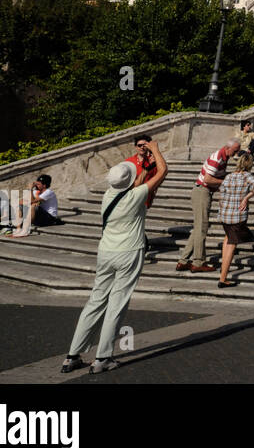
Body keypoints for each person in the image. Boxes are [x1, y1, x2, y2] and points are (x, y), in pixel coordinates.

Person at [60, 145, 170, 374]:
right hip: (129, 252)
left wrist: (144, 165)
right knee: (116, 304)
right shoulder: (136, 195)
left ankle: (72, 355)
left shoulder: (109, 194)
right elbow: (163, 172)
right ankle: (103, 357)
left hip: (106, 253)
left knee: (95, 301)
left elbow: (136, 182)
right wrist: (156, 149)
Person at [176, 139, 238, 272]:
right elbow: (208, 179)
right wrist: (225, 181)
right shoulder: (217, 158)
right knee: (202, 228)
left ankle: (183, 261)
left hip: (203, 192)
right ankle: (198, 262)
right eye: (235, 150)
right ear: (228, 148)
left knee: (199, 227)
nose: (236, 153)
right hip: (202, 191)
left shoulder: (223, 157)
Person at [216, 151, 254, 287]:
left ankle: (223, 269)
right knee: (231, 244)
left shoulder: (229, 176)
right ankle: (223, 278)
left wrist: (223, 208)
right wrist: (245, 198)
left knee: (227, 238)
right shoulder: (247, 176)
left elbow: (221, 193)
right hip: (237, 216)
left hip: (225, 214)